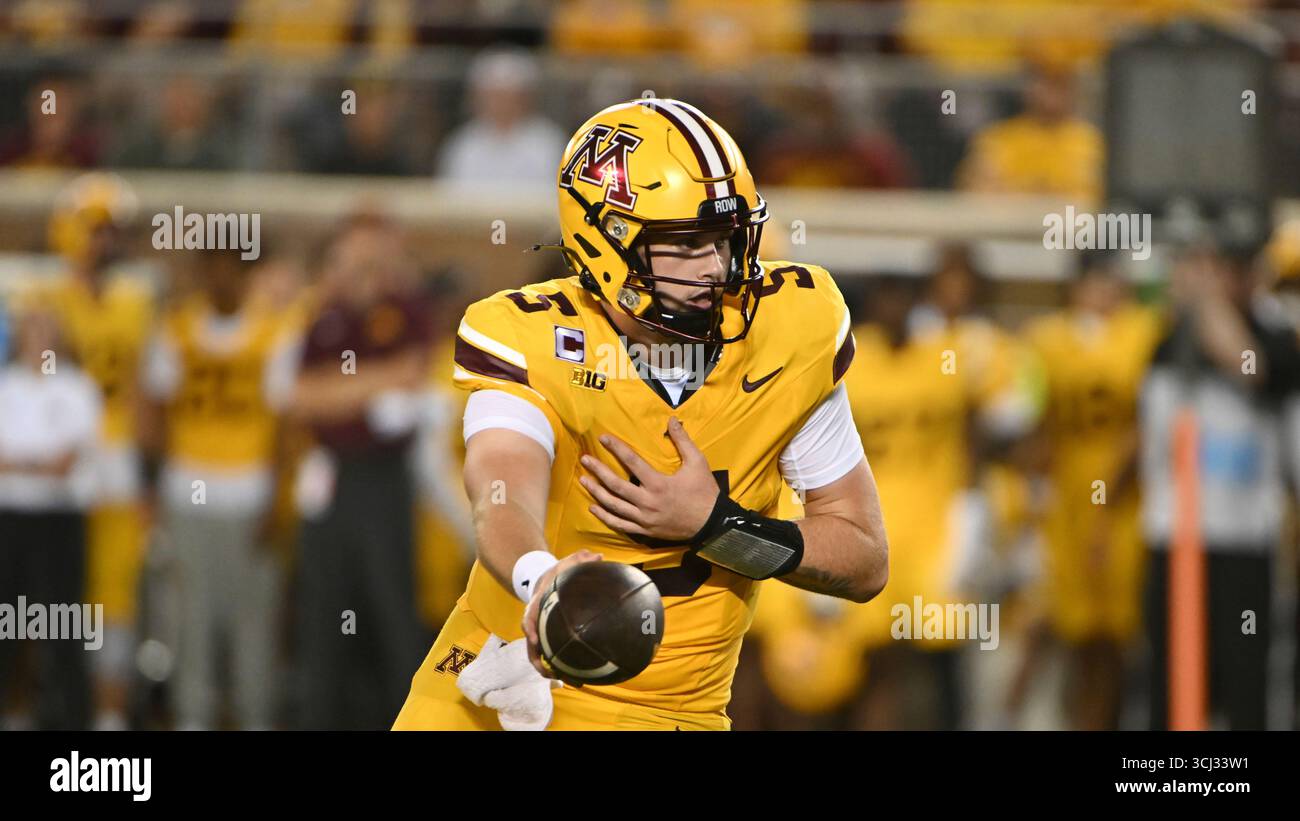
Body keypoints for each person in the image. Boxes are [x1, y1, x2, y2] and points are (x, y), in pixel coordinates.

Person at [394, 98, 888, 731]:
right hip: (501, 675)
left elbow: (865, 559)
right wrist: (540, 579)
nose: (715, 268)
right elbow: (501, 487)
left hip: (669, 713)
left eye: (725, 239)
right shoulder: (535, 333)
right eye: (684, 243)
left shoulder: (789, 331)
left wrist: (716, 527)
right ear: (606, 243)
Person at [1140, 245, 1300, 730]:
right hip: (1175, 537)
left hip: (1244, 541)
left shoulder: (1274, 341)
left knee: (1246, 679)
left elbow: (1250, 366)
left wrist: (1206, 299)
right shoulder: (1168, 343)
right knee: (1172, 683)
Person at [140, 247, 298, 730]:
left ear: (247, 274)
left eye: (231, 267)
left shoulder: (275, 332)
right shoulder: (177, 328)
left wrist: (279, 498)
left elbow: (286, 425)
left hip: (250, 494)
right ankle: (193, 717)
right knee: (190, 622)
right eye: (211, 267)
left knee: (253, 624)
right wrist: (153, 486)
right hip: (188, 492)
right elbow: (154, 411)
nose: (221, 277)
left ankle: (254, 717)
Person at [288, 212, 433, 730]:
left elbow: (413, 373)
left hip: (384, 479)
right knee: (324, 613)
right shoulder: (325, 317)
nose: (360, 267)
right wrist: (375, 384)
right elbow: (302, 398)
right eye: (350, 255)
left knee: (393, 610)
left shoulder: (406, 311)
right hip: (331, 478)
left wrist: (341, 391)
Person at [1023, 250, 1163, 729]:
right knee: (1074, 630)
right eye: (1095, 282)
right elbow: (1034, 423)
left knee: (1118, 636)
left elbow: (1150, 421)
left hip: (1127, 499)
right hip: (1068, 498)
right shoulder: (1047, 340)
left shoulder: (1143, 332)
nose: (1104, 293)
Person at [41, 172, 154, 731]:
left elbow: (143, 395)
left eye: (115, 231)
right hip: (56, 466)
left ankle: (109, 721)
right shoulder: (43, 301)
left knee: (115, 594)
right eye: (98, 228)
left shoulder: (136, 302)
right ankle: (43, 709)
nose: (107, 241)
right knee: (48, 594)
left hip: (118, 460)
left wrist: (149, 477)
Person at [0, 308, 101, 730]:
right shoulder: (6, 386)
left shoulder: (77, 388)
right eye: (31, 330)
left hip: (60, 521)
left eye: (46, 330)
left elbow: (67, 462)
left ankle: (70, 720)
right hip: (10, 520)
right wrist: (38, 463)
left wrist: (25, 463)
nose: (38, 341)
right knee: (7, 621)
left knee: (61, 625)